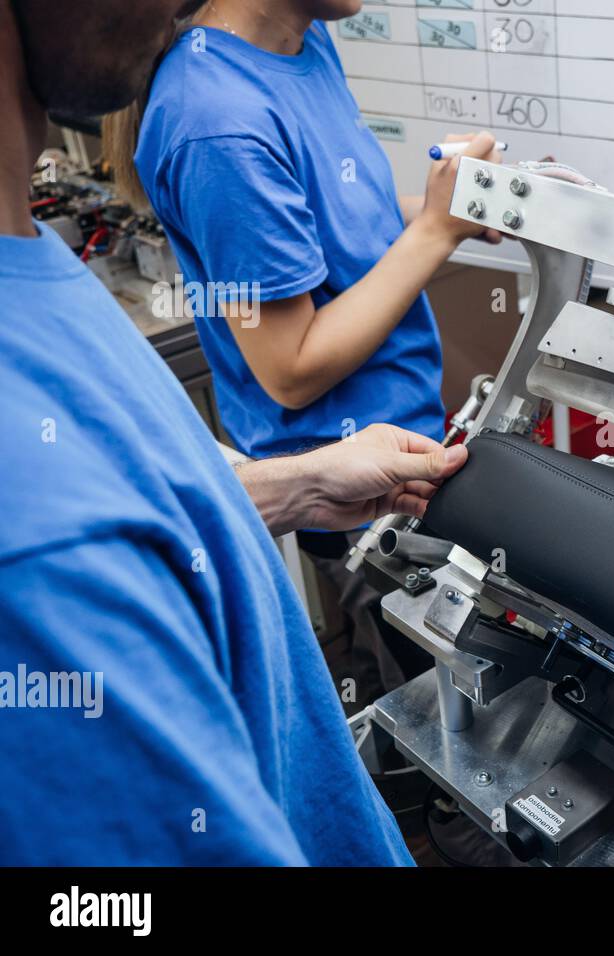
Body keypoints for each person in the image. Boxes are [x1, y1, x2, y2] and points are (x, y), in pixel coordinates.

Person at [0, 0, 614, 866]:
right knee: (431, 686)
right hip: (349, 468)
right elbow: (287, 365)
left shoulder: (49, 272)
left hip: (372, 456)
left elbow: (328, 231)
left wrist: (295, 482)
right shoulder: (212, 121)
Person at [104, 0, 504, 702]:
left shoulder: (305, 42)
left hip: (406, 437)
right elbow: (290, 368)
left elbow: (354, 225)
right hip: (342, 482)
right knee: (428, 710)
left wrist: (471, 205)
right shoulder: (215, 121)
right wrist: (436, 235)